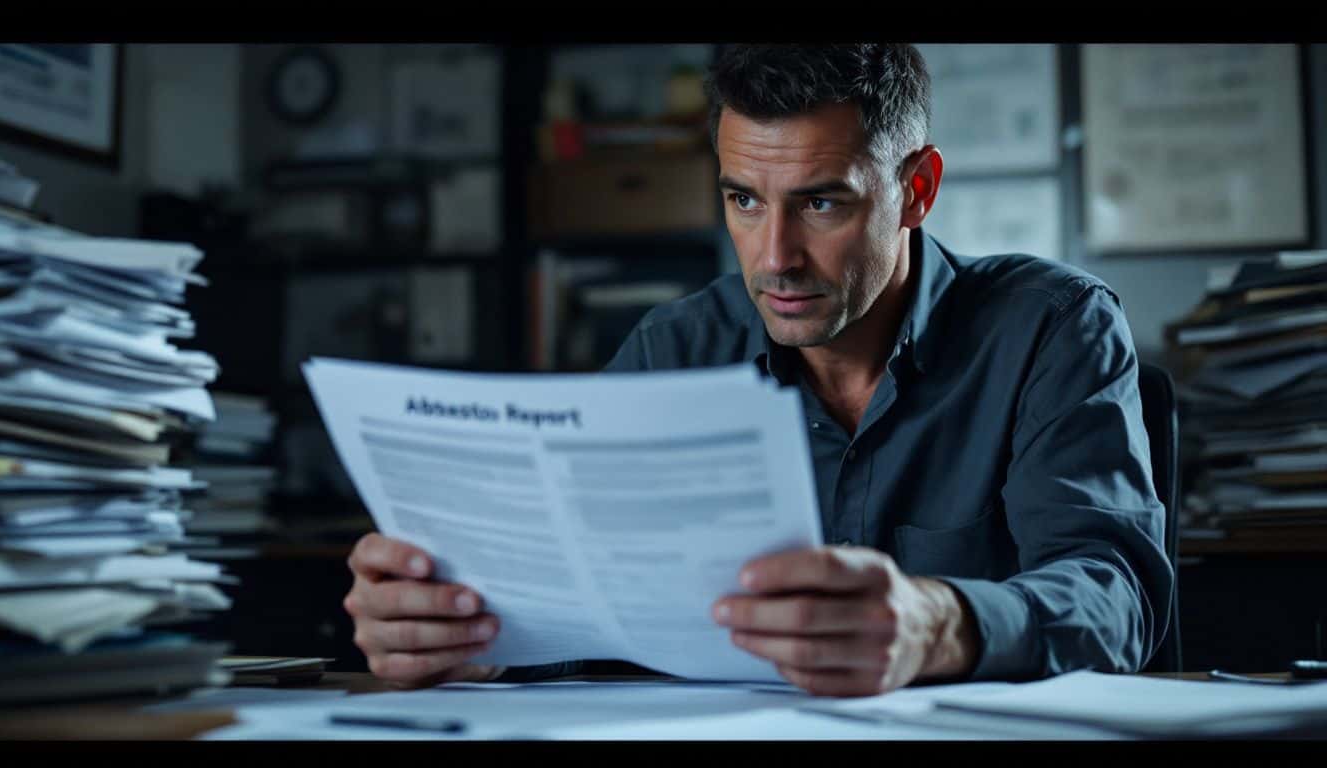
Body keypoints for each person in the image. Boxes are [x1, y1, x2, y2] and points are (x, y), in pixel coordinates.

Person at [343, 44, 1174, 698]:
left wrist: (937, 623)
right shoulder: (673, 352)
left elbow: (1116, 596)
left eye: (821, 202)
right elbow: (580, 602)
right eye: (743, 199)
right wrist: (476, 636)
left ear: (917, 190)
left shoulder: (1049, 328)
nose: (774, 258)